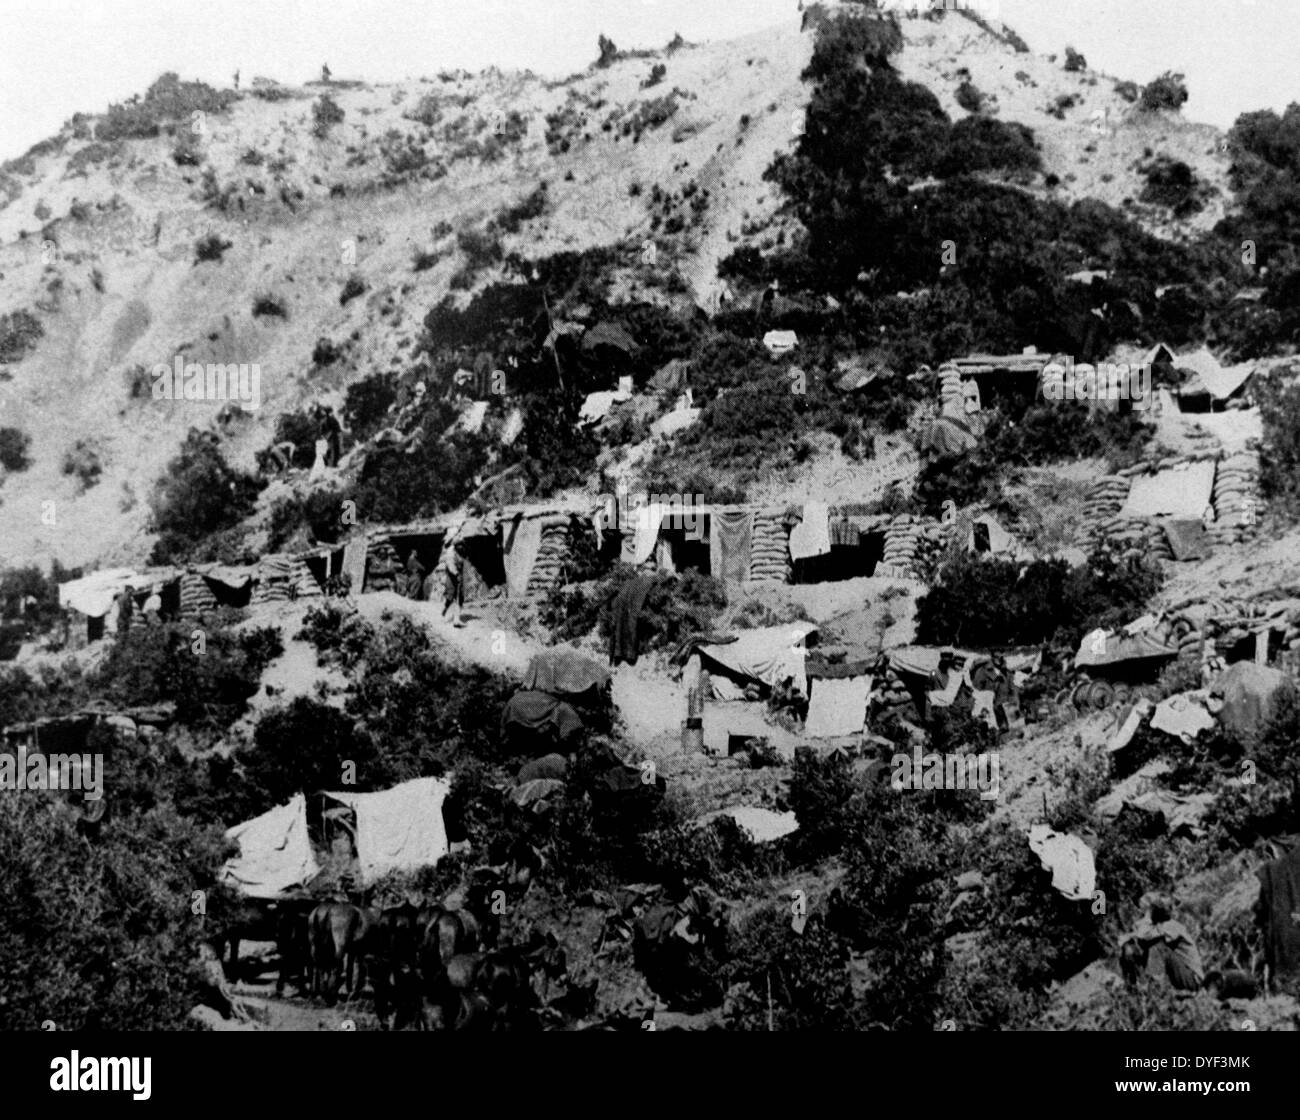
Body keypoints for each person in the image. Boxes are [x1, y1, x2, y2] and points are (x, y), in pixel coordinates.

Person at [1119, 893, 1205, 992]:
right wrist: (1128, 941)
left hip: (1193, 979)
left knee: (1157, 947)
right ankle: (1132, 987)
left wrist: (1147, 915)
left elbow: (1144, 936)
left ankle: (1155, 989)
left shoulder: (1172, 926)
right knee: (1129, 948)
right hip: (1180, 973)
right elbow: (1140, 938)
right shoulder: (1160, 926)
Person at [440, 540, 465, 620]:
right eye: (459, 546)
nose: (461, 548)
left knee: (460, 595)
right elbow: (451, 566)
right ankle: (446, 608)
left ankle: (457, 617)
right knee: (451, 594)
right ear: (455, 546)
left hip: (459, 573)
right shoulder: (450, 553)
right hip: (451, 575)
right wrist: (456, 574)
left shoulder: (462, 551)